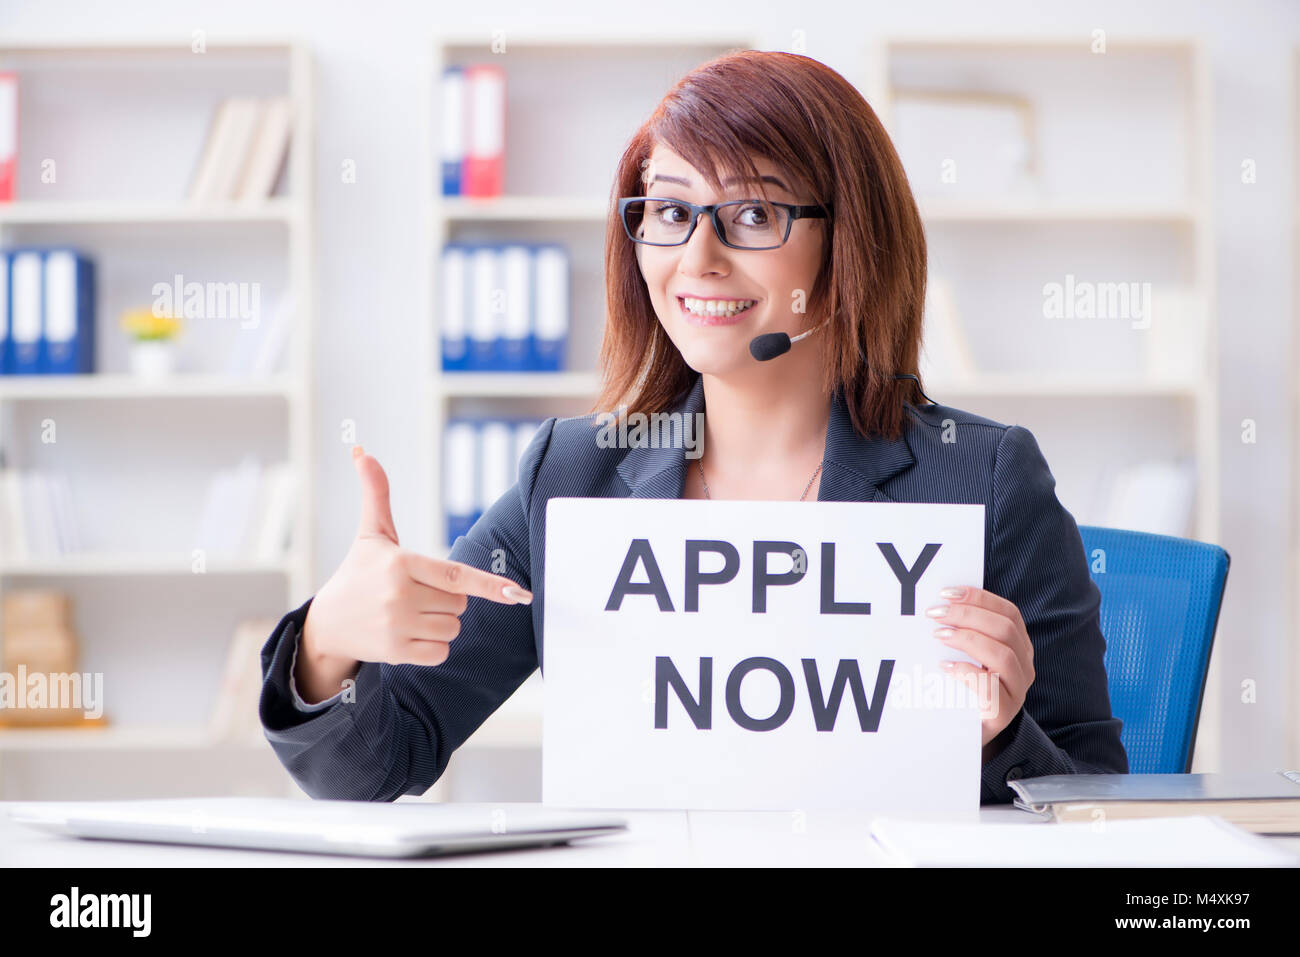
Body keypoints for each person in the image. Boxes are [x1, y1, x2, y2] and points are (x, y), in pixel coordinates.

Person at [259, 50, 1127, 804]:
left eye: (754, 214)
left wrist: (998, 733)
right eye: (670, 212)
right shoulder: (571, 475)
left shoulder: (983, 479)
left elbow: (1095, 804)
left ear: (851, 243)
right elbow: (375, 765)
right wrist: (326, 645)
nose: (697, 258)